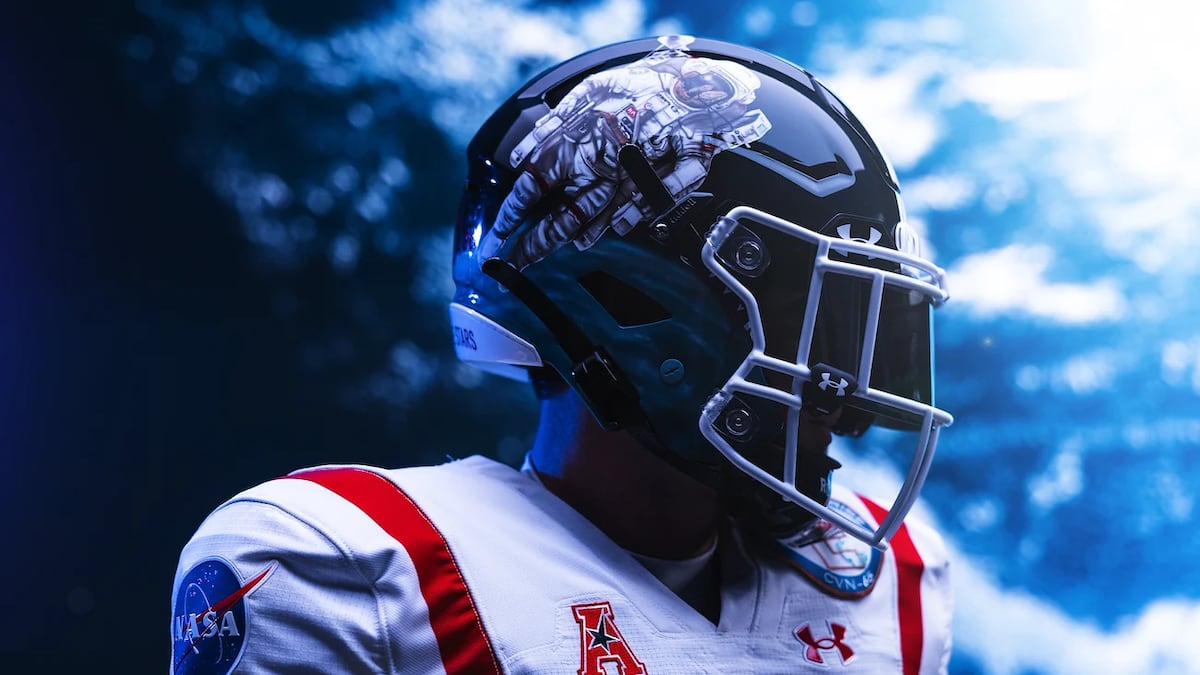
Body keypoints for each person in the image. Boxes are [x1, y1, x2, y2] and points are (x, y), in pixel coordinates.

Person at [171, 35, 954, 674]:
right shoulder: (355, 570)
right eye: (802, 316)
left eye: (860, 319)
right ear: (627, 303)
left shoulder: (895, 588)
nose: (842, 387)